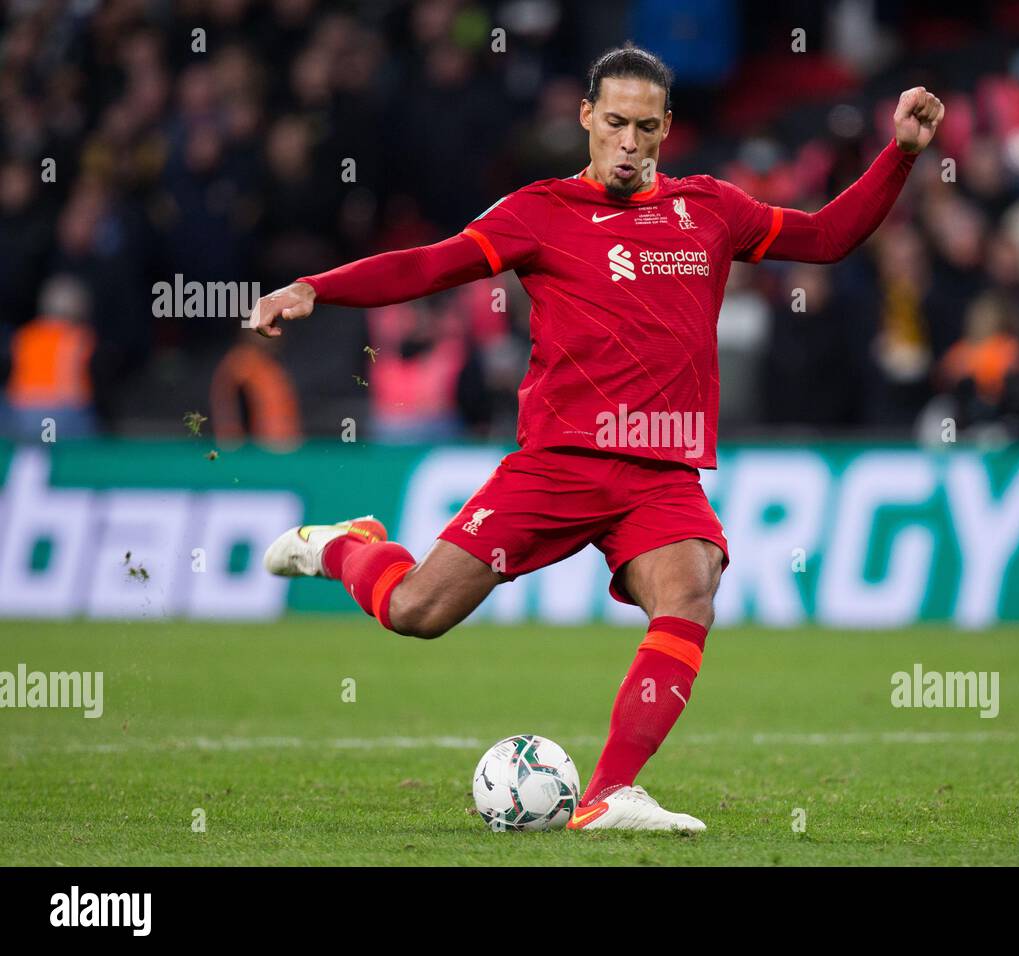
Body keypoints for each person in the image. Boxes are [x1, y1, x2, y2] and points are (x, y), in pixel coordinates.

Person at [249, 44, 942, 831]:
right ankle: (342, 545)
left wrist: (901, 155)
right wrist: (315, 288)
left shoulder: (710, 208)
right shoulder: (539, 211)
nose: (628, 142)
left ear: (667, 129)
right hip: (559, 464)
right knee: (415, 611)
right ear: (586, 117)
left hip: (661, 472)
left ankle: (611, 792)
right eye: (613, 122)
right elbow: (429, 266)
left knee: (691, 588)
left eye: (646, 127)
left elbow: (823, 238)